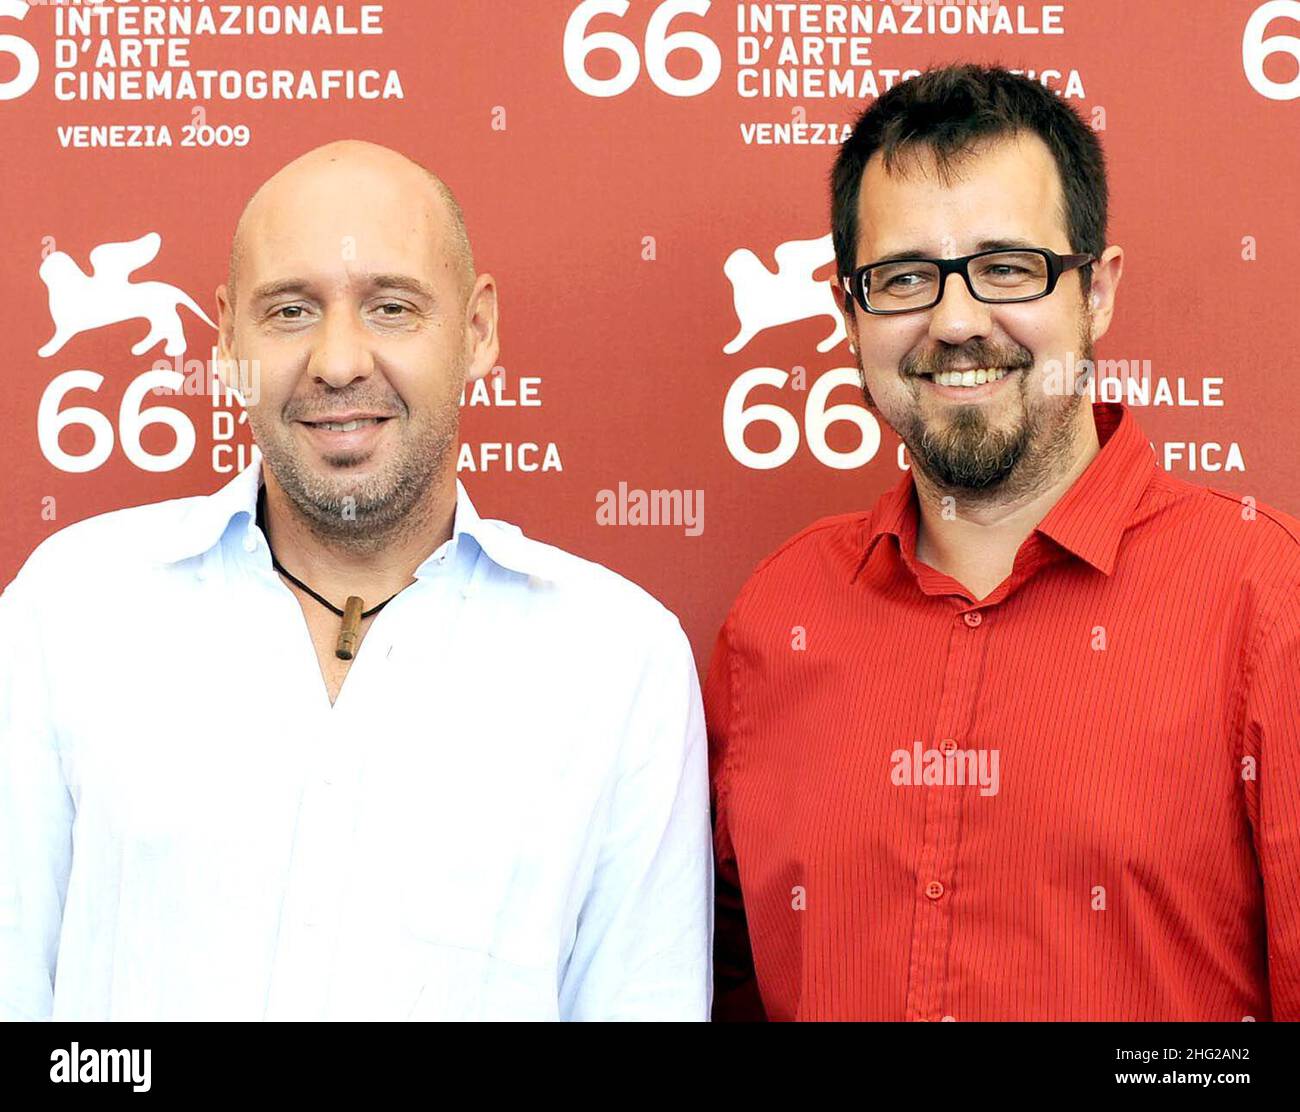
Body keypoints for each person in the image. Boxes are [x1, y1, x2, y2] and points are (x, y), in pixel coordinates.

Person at [0, 140, 710, 1021]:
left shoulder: (619, 660)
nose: (338, 362)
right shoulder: (73, 607)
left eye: (392, 308)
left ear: (478, 330)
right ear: (226, 339)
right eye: (291, 311)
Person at [706, 65, 1300, 1021]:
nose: (955, 322)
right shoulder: (780, 616)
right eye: (904, 279)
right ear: (848, 311)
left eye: (1008, 269)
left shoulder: (1267, 599)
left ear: (1097, 294)